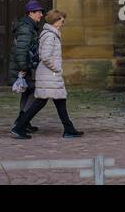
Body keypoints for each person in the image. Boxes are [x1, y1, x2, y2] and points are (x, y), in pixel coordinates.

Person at [12, 9, 83, 139]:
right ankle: (19, 127)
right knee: (41, 102)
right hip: (50, 74)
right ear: (55, 21)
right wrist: (56, 69)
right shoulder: (50, 36)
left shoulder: (50, 34)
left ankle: (69, 129)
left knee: (59, 100)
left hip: (49, 74)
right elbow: (45, 56)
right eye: (62, 20)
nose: (63, 22)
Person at [9, 0, 45, 132]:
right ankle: (21, 121)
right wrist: (23, 67)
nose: (41, 15)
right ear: (30, 13)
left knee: (28, 92)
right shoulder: (26, 27)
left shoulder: (29, 25)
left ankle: (24, 121)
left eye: (41, 12)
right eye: (38, 12)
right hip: (26, 66)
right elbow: (21, 49)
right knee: (35, 91)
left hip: (27, 65)